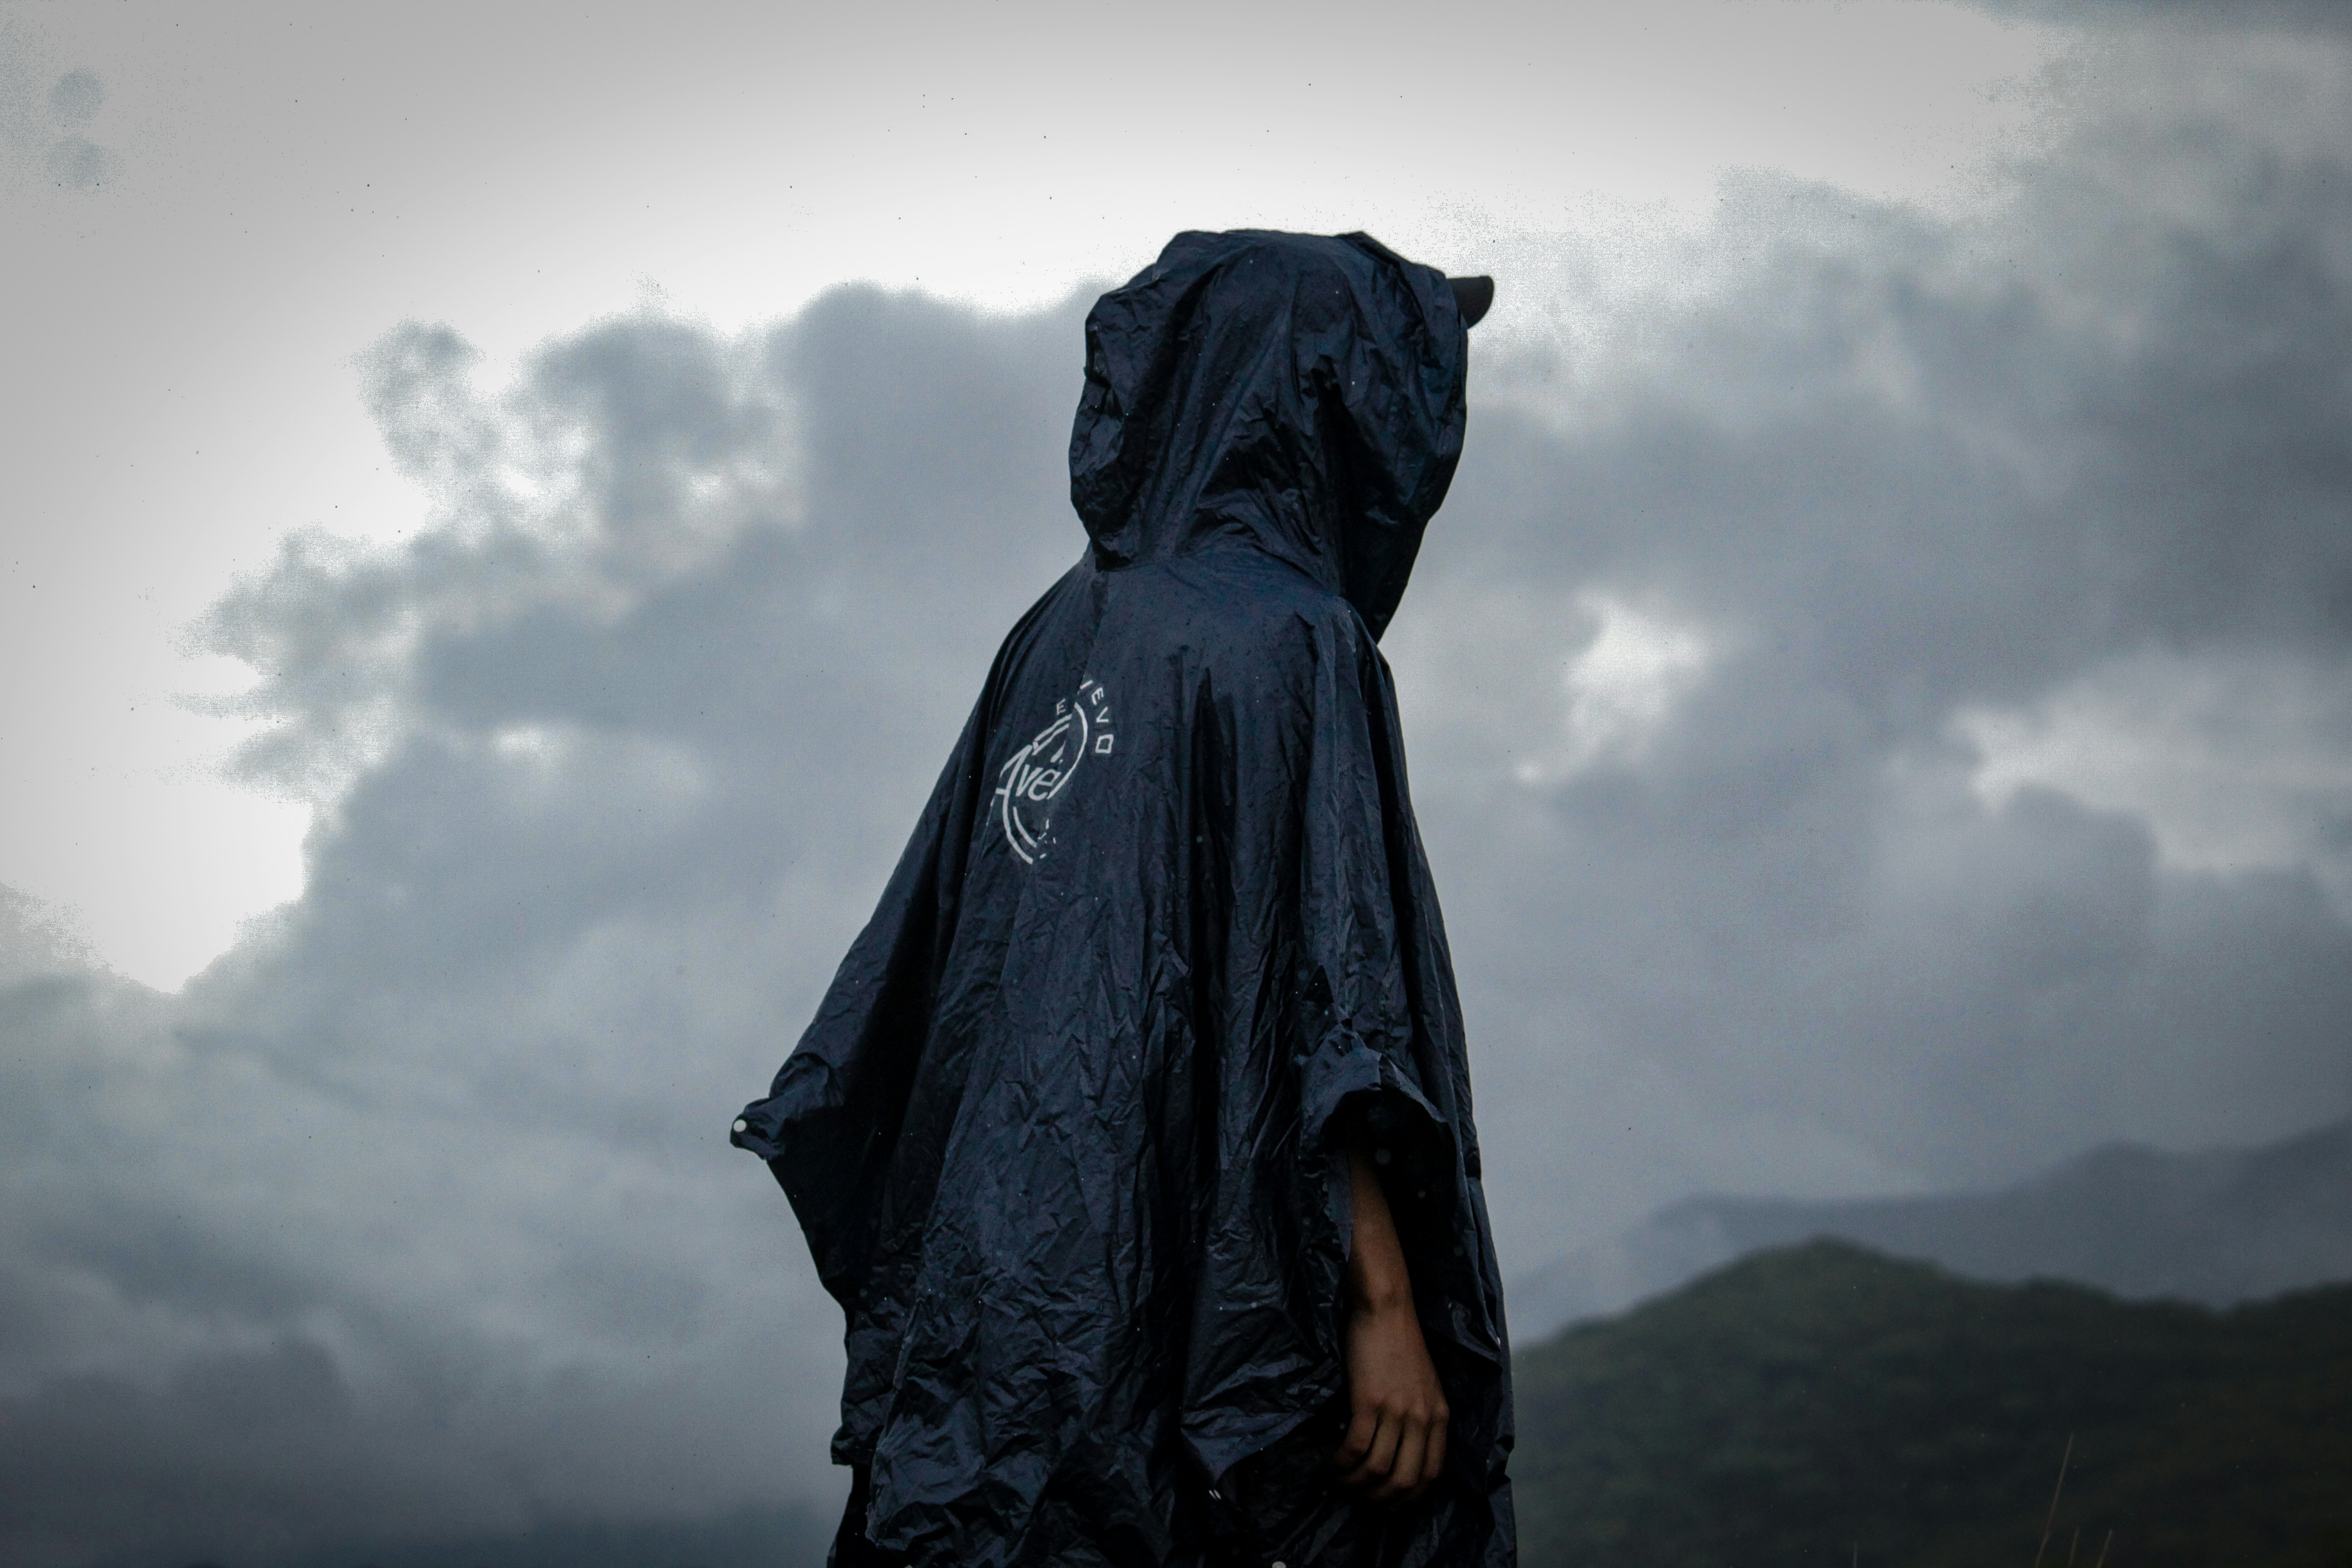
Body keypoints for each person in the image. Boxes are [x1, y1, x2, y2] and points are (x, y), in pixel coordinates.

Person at [732, 229, 1513, 1567]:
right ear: (1334, 398)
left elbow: (929, 988)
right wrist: (1383, 1301)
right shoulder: (1289, 642)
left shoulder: (1063, 627)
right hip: (1191, 1300)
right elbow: (1331, 1017)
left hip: (1003, 1304)